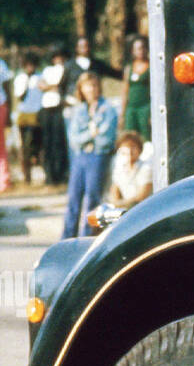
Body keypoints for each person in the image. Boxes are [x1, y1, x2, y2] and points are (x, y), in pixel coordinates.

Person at [62, 72, 117, 239]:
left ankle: (87, 236)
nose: (91, 90)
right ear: (81, 89)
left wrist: (92, 139)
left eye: (94, 85)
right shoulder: (79, 110)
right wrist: (91, 134)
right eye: (87, 86)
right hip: (80, 157)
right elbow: (74, 139)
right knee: (73, 198)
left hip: (98, 156)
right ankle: (67, 237)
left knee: (93, 197)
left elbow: (106, 138)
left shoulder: (108, 108)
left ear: (98, 87)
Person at [38, 46, 70, 186]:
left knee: (59, 142)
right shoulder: (47, 70)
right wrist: (52, 86)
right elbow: (40, 85)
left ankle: (60, 174)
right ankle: (49, 176)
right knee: (47, 142)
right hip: (46, 107)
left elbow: (60, 86)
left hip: (58, 107)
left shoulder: (66, 69)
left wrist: (49, 86)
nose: (58, 59)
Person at [13, 53, 43, 185]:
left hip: (37, 114)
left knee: (39, 146)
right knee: (25, 147)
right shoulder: (20, 78)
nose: (30, 68)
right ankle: (27, 177)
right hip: (25, 115)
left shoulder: (40, 77)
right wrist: (26, 82)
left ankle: (42, 174)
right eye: (27, 65)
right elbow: (19, 96)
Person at [107, 130, 152, 210]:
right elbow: (113, 195)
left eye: (133, 147)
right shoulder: (119, 170)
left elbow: (141, 197)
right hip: (126, 210)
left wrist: (119, 204)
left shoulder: (146, 168)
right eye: (126, 147)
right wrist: (116, 203)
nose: (129, 151)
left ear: (140, 150)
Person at [119, 36, 151, 142]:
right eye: (137, 49)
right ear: (133, 51)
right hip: (131, 108)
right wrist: (122, 113)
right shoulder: (129, 68)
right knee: (130, 136)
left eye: (142, 48)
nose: (140, 51)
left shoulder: (151, 66)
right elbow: (125, 90)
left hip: (145, 107)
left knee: (146, 136)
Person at [0, 55, 11, 192]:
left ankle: (4, 180)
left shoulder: (1, 64)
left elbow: (7, 87)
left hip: (0, 105)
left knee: (0, 145)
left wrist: (10, 110)